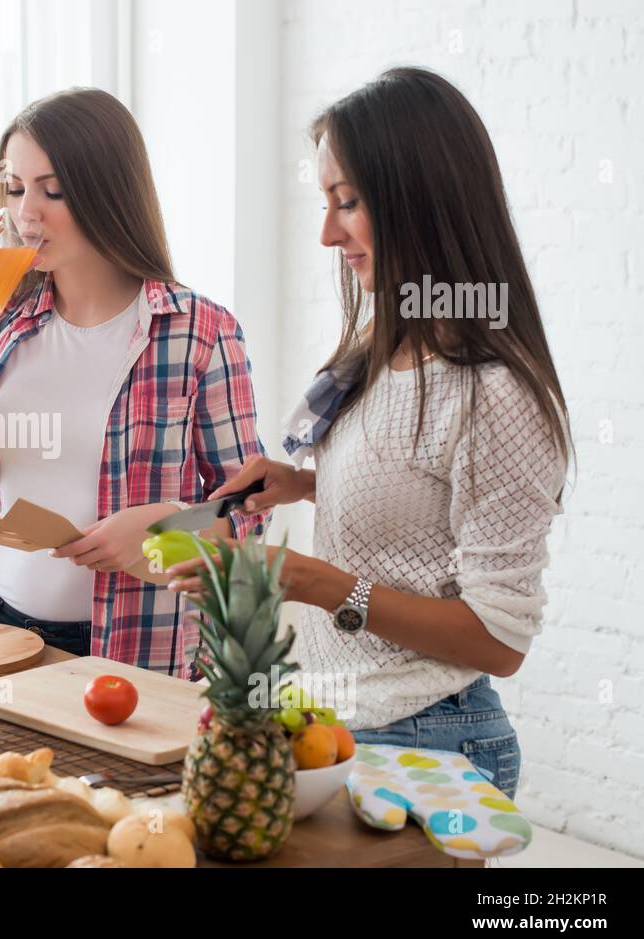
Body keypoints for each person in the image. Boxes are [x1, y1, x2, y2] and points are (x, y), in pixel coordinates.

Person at [167, 68, 572, 798]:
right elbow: (427, 494)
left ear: (418, 198)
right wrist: (303, 483)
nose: (328, 234)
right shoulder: (385, 349)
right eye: (326, 203)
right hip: (339, 719)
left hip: (427, 737)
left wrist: (317, 583)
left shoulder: (494, 392)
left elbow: (498, 639)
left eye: (348, 203)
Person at [0, 87, 266, 678]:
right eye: (15, 188)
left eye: (52, 190)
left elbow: (248, 512)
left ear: (107, 192)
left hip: (127, 649)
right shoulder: (3, 319)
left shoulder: (200, 333)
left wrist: (166, 529)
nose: (26, 213)